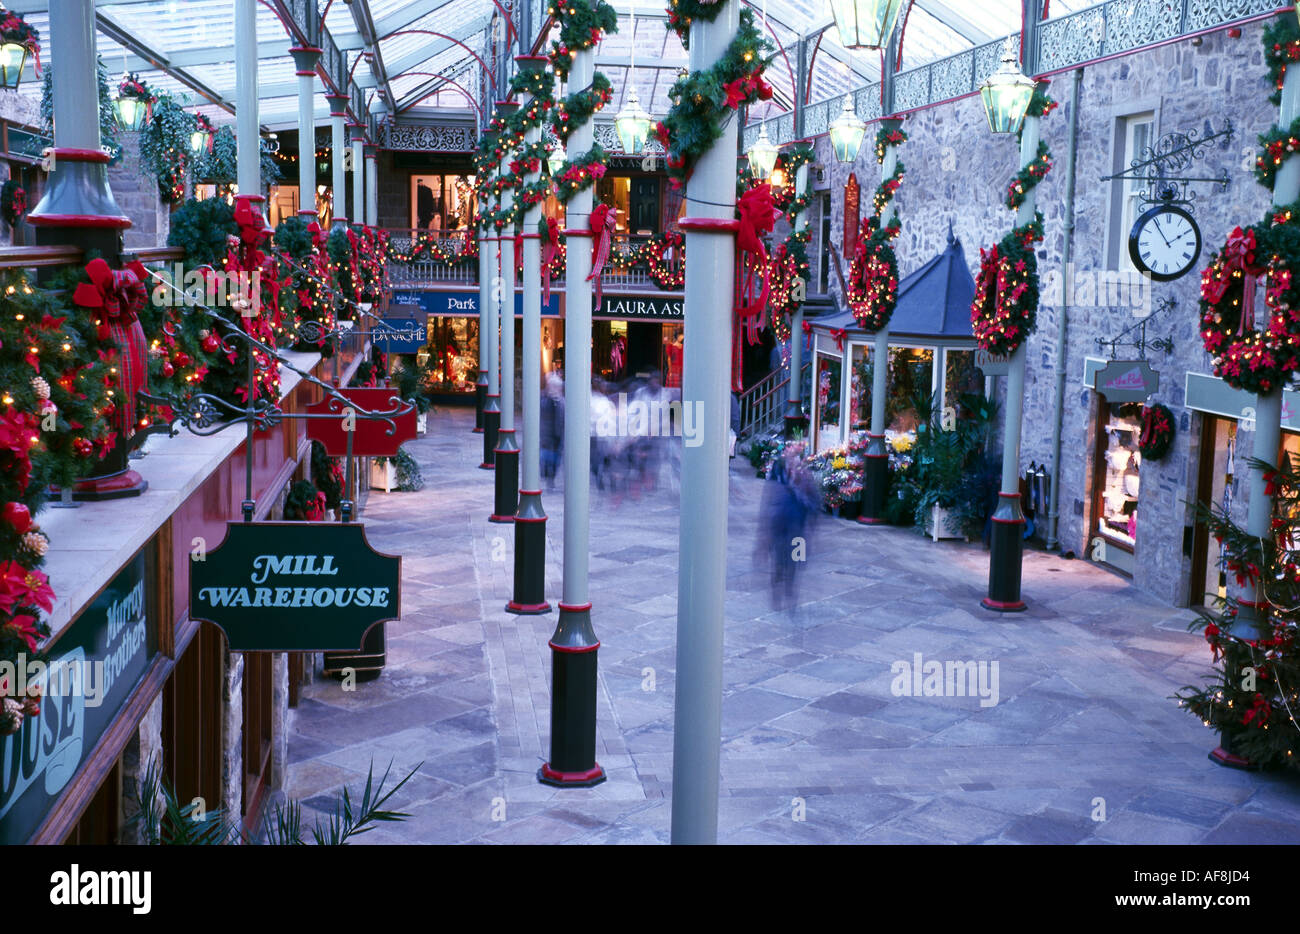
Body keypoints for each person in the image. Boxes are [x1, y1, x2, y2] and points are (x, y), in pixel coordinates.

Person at [755, 443, 819, 612]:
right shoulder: (778, 482)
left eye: (795, 463)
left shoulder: (805, 480)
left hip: (798, 531)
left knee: (795, 564)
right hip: (780, 528)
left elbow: (815, 505)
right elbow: (768, 506)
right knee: (779, 562)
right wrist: (763, 538)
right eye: (790, 462)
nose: (793, 466)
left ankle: (790, 594)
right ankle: (777, 591)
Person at [540, 370, 564, 488]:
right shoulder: (542, 399)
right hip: (545, 435)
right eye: (553, 386)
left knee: (555, 459)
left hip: (557, 436)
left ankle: (551, 477)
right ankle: (545, 472)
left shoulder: (562, 402)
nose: (555, 389)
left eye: (557, 387)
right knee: (545, 456)